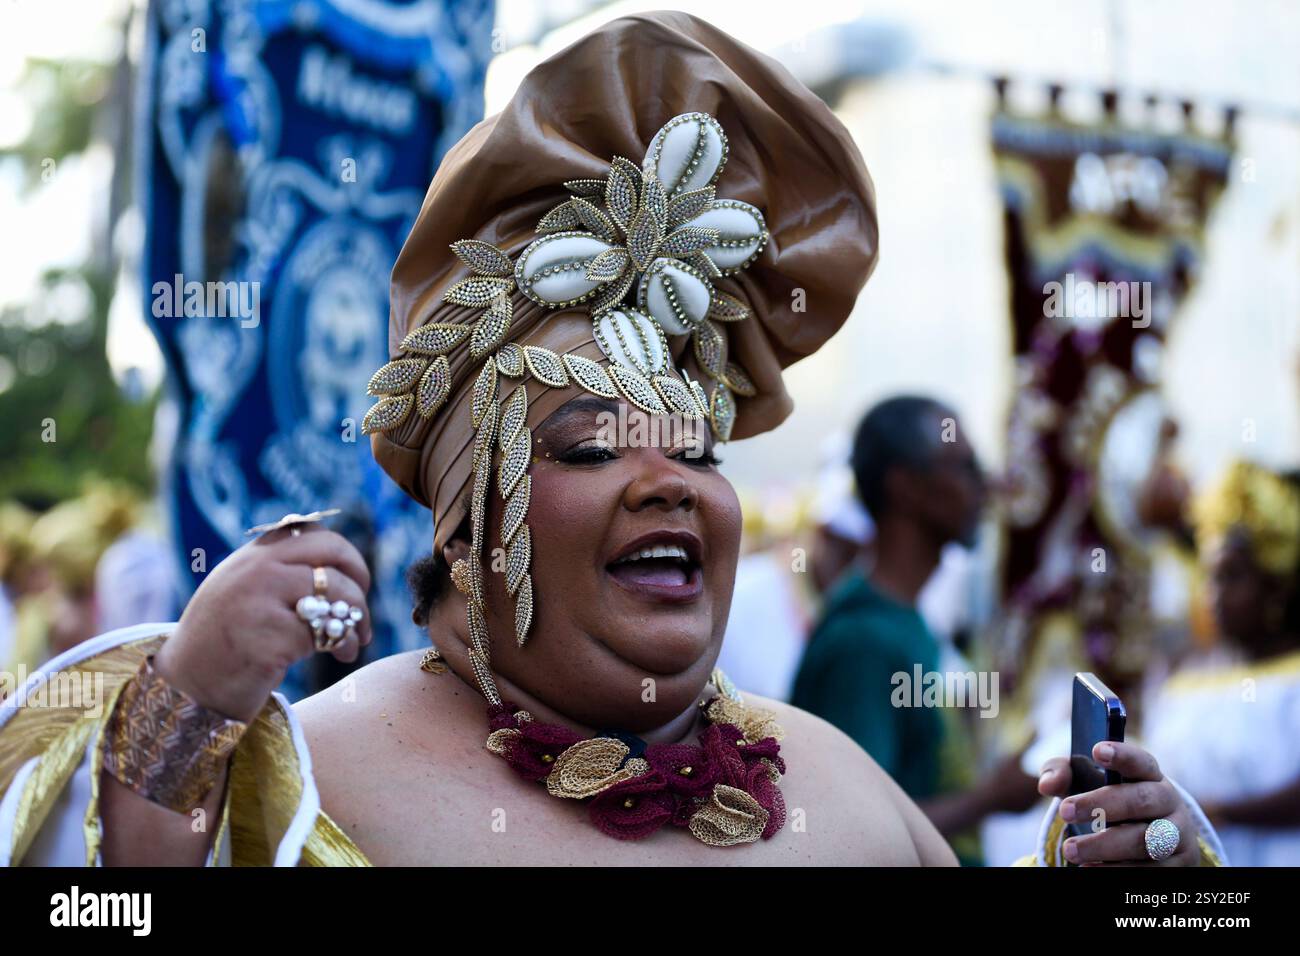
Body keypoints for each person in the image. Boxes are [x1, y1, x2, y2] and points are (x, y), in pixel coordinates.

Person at [0, 12, 1221, 868]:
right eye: (592, 446)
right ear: (470, 523)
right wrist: (172, 731)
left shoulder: (845, 791)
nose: (669, 486)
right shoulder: (299, 785)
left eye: (698, 452)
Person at [790, 396, 1041, 862]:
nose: (985, 485)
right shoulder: (861, 640)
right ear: (906, 487)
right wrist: (991, 797)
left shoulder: (903, 617)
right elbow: (852, 830)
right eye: (965, 467)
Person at [1143, 460, 1300, 865]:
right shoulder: (1180, 674)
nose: (1215, 594)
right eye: (1211, 576)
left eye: (1233, 577)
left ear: (1275, 585)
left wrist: (1221, 814)